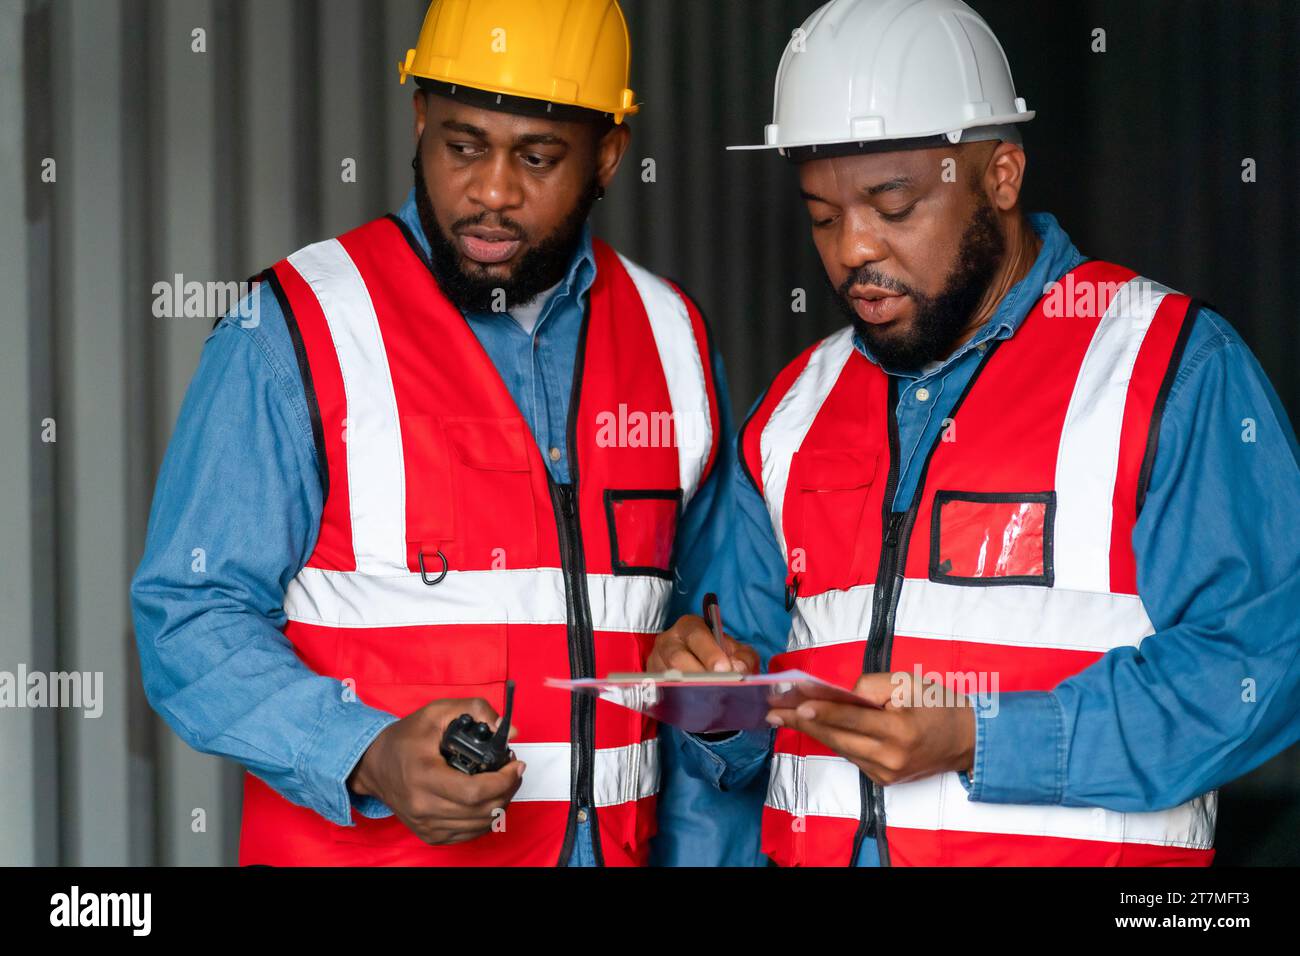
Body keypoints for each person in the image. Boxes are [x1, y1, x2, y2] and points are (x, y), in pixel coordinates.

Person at [649, 0, 1300, 866]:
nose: (852, 250)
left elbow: (1260, 664)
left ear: (1000, 175)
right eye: (821, 215)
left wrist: (982, 738)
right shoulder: (794, 411)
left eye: (894, 204)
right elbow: (748, 725)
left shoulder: (1166, 368)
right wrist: (713, 700)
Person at [131, 0, 731, 867]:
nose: (491, 190)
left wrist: (706, 670)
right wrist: (364, 753)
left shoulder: (671, 337)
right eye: (461, 145)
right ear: (418, 119)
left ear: (607, 155)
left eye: (536, 156)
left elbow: (704, 630)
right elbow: (187, 614)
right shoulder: (297, 326)